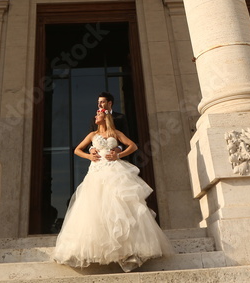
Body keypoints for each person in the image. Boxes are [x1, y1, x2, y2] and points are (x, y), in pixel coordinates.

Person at [52, 107, 172, 272]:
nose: (95, 116)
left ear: (105, 116)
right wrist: (89, 155)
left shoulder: (115, 133)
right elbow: (77, 150)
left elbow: (133, 146)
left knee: (119, 205)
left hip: (115, 170)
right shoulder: (92, 135)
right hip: (97, 170)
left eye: (98, 114)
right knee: (96, 205)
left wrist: (118, 155)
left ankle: (127, 249)